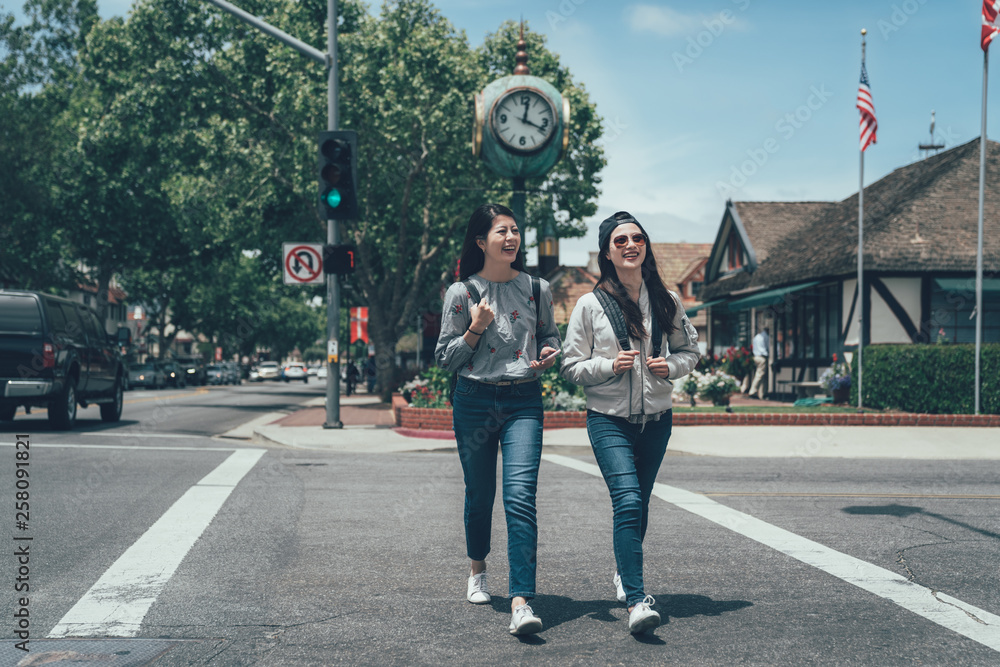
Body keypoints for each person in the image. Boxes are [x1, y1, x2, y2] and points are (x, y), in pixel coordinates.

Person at [561, 211, 700, 635]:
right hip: (609, 421)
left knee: (638, 503)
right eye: (620, 240)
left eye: (637, 238)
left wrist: (670, 366)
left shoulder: (668, 299)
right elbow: (570, 366)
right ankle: (638, 602)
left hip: (657, 420)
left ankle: (625, 572)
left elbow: (690, 351)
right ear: (607, 251)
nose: (630, 245)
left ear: (645, 246)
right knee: (627, 501)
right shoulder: (588, 305)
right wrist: (607, 365)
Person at [434, 203, 561, 636]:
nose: (511, 238)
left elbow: (550, 337)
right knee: (480, 493)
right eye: (501, 231)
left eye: (515, 231)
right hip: (473, 400)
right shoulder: (462, 293)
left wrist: (547, 353)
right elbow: (445, 358)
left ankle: (521, 600)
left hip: (524, 400)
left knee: (521, 496)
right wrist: (475, 327)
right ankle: (477, 571)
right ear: (480, 241)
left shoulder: (537, 288)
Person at [749, 327, 769, 399]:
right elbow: (768, 348)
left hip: (755, 356)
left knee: (762, 376)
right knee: (759, 375)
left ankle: (762, 394)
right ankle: (753, 391)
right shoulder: (766, 336)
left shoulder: (757, 337)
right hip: (762, 357)